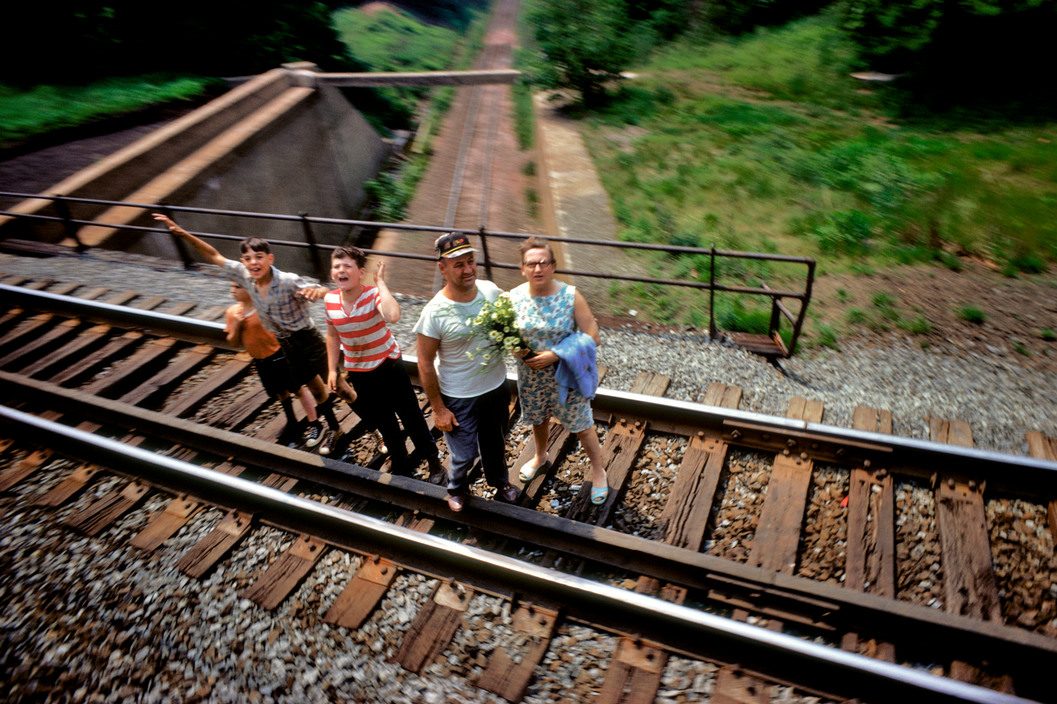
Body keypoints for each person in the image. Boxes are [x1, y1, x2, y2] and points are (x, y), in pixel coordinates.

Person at [152, 213, 350, 455]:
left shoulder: (286, 280)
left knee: (339, 385)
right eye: (248, 258)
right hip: (286, 344)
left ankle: (375, 426)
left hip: (307, 337)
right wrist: (181, 233)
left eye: (258, 257)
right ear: (242, 262)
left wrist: (317, 292)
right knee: (315, 388)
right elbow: (212, 255)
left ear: (269, 258)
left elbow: (319, 290)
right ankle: (334, 429)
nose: (253, 262)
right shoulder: (243, 275)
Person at [413, 232, 520, 512]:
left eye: (470, 261)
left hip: (496, 387)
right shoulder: (434, 313)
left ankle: (500, 482)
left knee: (496, 442)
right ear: (442, 268)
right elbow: (424, 362)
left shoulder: (490, 291)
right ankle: (456, 487)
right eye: (458, 264)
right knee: (464, 453)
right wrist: (438, 409)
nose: (468, 269)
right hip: (459, 395)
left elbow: (507, 328)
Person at [324, 246, 444, 481]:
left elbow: (393, 315)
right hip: (359, 373)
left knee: (411, 416)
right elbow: (332, 335)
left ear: (360, 272)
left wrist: (380, 283)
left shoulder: (372, 295)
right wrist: (331, 369)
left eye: (347, 266)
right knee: (384, 420)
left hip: (388, 366)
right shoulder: (330, 300)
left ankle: (433, 461)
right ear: (332, 273)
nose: (341, 270)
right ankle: (400, 459)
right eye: (337, 266)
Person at [509, 236, 608, 505]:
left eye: (543, 263)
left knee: (582, 426)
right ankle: (541, 457)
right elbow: (508, 334)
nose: (537, 268)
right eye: (531, 264)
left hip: (567, 377)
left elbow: (593, 335)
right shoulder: (513, 298)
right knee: (538, 419)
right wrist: (513, 348)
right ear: (523, 268)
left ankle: (599, 471)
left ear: (553, 266)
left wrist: (555, 354)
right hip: (531, 378)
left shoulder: (570, 295)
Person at [225, 282, 319, 443]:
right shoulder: (233, 313)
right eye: (232, 287)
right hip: (261, 360)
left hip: (279, 354)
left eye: (238, 287)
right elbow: (233, 342)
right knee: (280, 392)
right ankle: (292, 421)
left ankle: (314, 422)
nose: (233, 291)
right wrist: (238, 325)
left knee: (298, 389)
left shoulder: (263, 307)